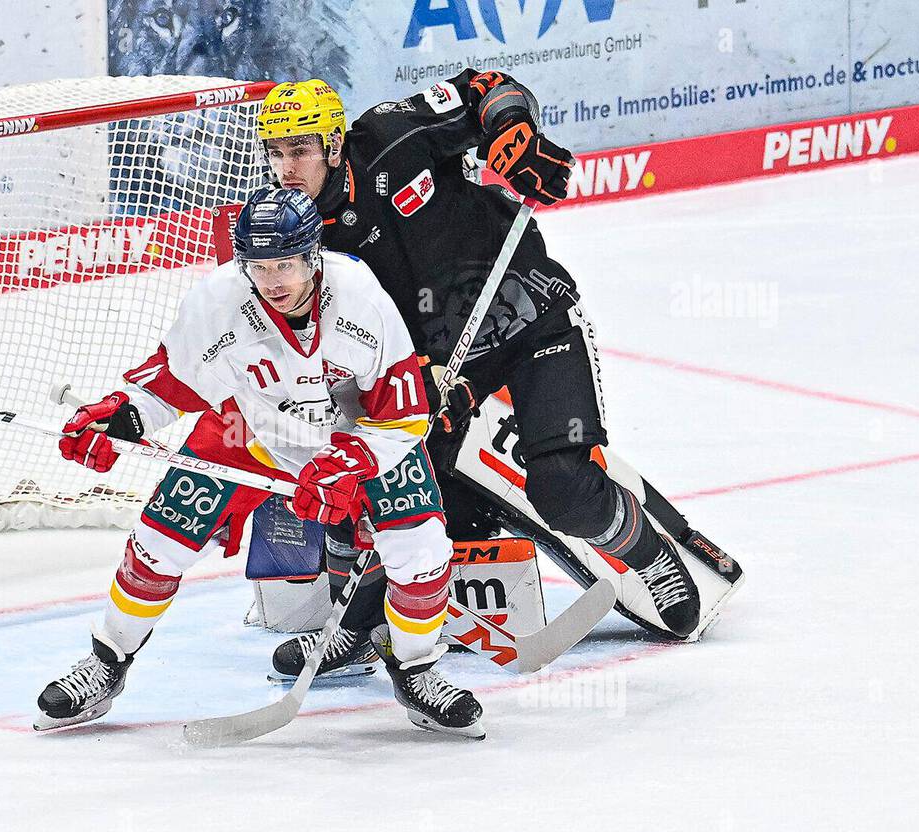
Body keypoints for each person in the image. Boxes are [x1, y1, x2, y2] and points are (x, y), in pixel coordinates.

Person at [255, 74, 702, 681]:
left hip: (530, 317)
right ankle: (358, 625)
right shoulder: (298, 232)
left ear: (334, 145)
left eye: (300, 149)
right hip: (443, 365)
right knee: (374, 479)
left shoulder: (392, 136)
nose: (286, 168)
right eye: (276, 152)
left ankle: (649, 558)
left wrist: (514, 135)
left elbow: (483, 86)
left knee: (563, 489)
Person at [36, 186, 484, 739]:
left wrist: (353, 459)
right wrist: (122, 417)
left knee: (420, 548)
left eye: (285, 264)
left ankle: (416, 670)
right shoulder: (217, 302)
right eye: (259, 266)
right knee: (158, 543)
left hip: (358, 440)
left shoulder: (361, 298)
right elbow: (170, 385)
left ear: (313, 255)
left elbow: (404, 416)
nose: (273, 280)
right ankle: (106, 663)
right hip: (250, 431)